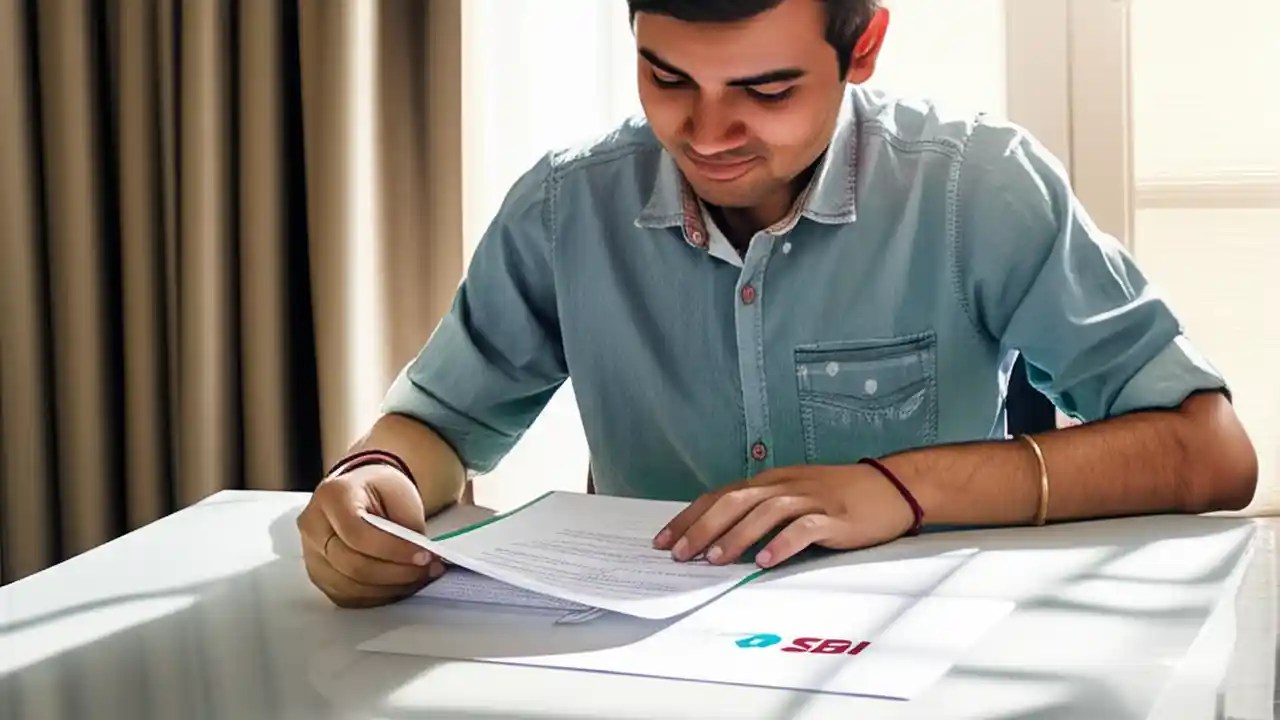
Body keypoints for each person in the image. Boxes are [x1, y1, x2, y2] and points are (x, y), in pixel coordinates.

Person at [296, 0, 1258, 608]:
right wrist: (375, 483)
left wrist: (900, 487)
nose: (707, 132)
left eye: (766, 88)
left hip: (923, 661)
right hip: (642, 676)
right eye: (667, 77)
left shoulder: (979, 188)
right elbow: (436, 427)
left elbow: (1210, 452)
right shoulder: (565, 206)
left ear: (865, 44)